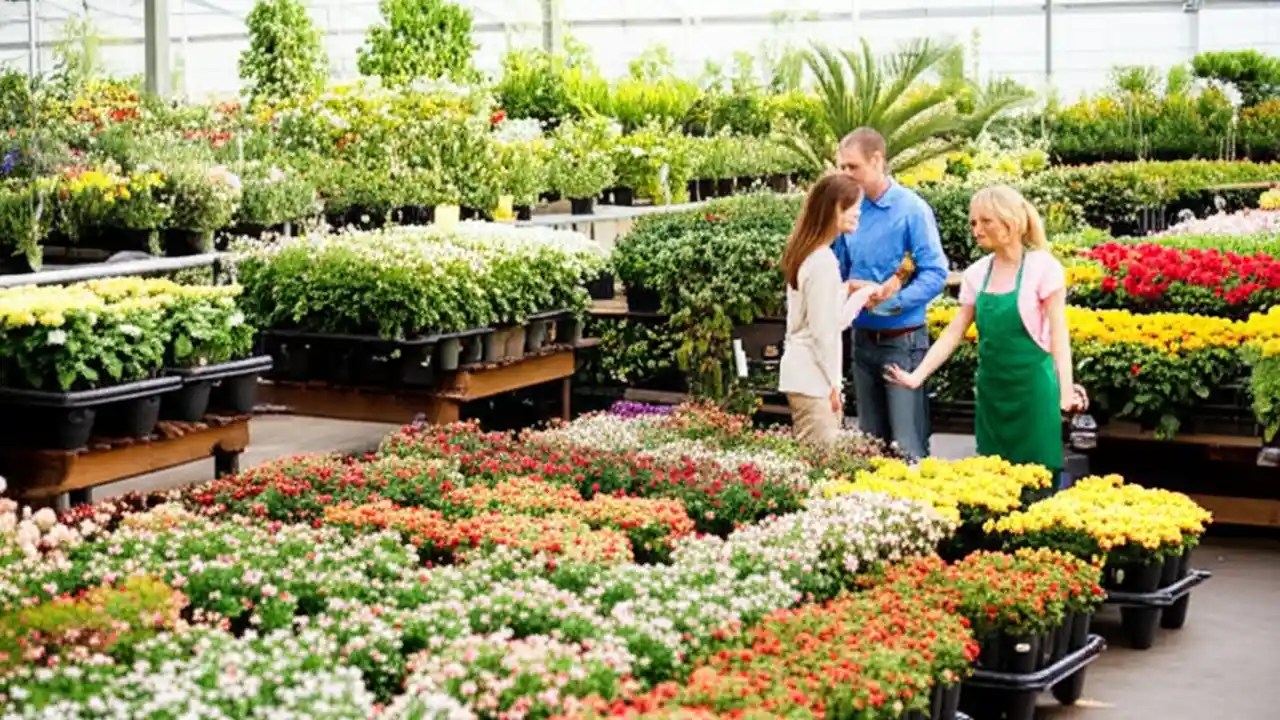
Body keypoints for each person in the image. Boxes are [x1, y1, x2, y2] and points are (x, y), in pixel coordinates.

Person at [885, 184, 1088, 484]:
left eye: (984, 221)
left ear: (1009, 222)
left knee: (1041, 478)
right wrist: (917, 377)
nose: (976, 229)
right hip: (992, 393)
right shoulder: (977, 274)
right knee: (993, 482)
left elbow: (1059, 336)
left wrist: (1066, 392)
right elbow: (954, 332)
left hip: (1033, 393)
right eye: (973, 222)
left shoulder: (1043, 268)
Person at [832, 128, 949, 460]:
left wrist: (893, 303)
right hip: (861, 340)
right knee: (870, 445)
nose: (845, 175)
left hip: (903, 341)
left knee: (907, 446)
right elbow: (839, 267)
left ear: (877, 160)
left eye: (852, 167)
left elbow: (936, 272)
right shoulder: (849, 210)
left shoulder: (911, 209)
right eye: (841, 167)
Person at [778, 174, 880, 444]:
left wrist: (849, 290)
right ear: (834, 207)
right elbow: (826, 332)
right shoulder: (823, 261)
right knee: (821, 465)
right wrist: (834, 385)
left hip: (802, 374)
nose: (858, 212)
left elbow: (820, 316)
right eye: (853, 206)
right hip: (813, 378)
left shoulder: (807, 253)